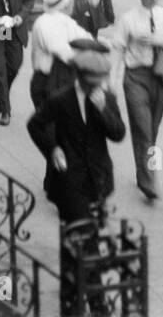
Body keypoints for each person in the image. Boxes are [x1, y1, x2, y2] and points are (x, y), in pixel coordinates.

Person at [27, 41, 127, 223]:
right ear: (79, 77)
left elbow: (118, 134)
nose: (96, 87)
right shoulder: (60, 99)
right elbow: (34, 125)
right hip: (69, 180)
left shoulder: (107, 99)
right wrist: (52, 149)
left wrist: (104, 110)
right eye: (91, 83)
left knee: (90, 234)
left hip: (99, 178)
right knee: (79, 230)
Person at [109, 0, 163, 201]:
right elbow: (118, 48)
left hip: (160, 78)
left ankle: (147, 172)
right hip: (135, 77)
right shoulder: (128, 19)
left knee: (153, 132)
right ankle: (149, 180)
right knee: (142, 128)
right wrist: (112, 80)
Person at [29, 0, 91, 112]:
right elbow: (63, 52)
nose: (74, 2)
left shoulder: (67, 22)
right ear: (66, 5)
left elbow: (87, 39)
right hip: (48, 82)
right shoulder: (44, 23)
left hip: (63, 82)